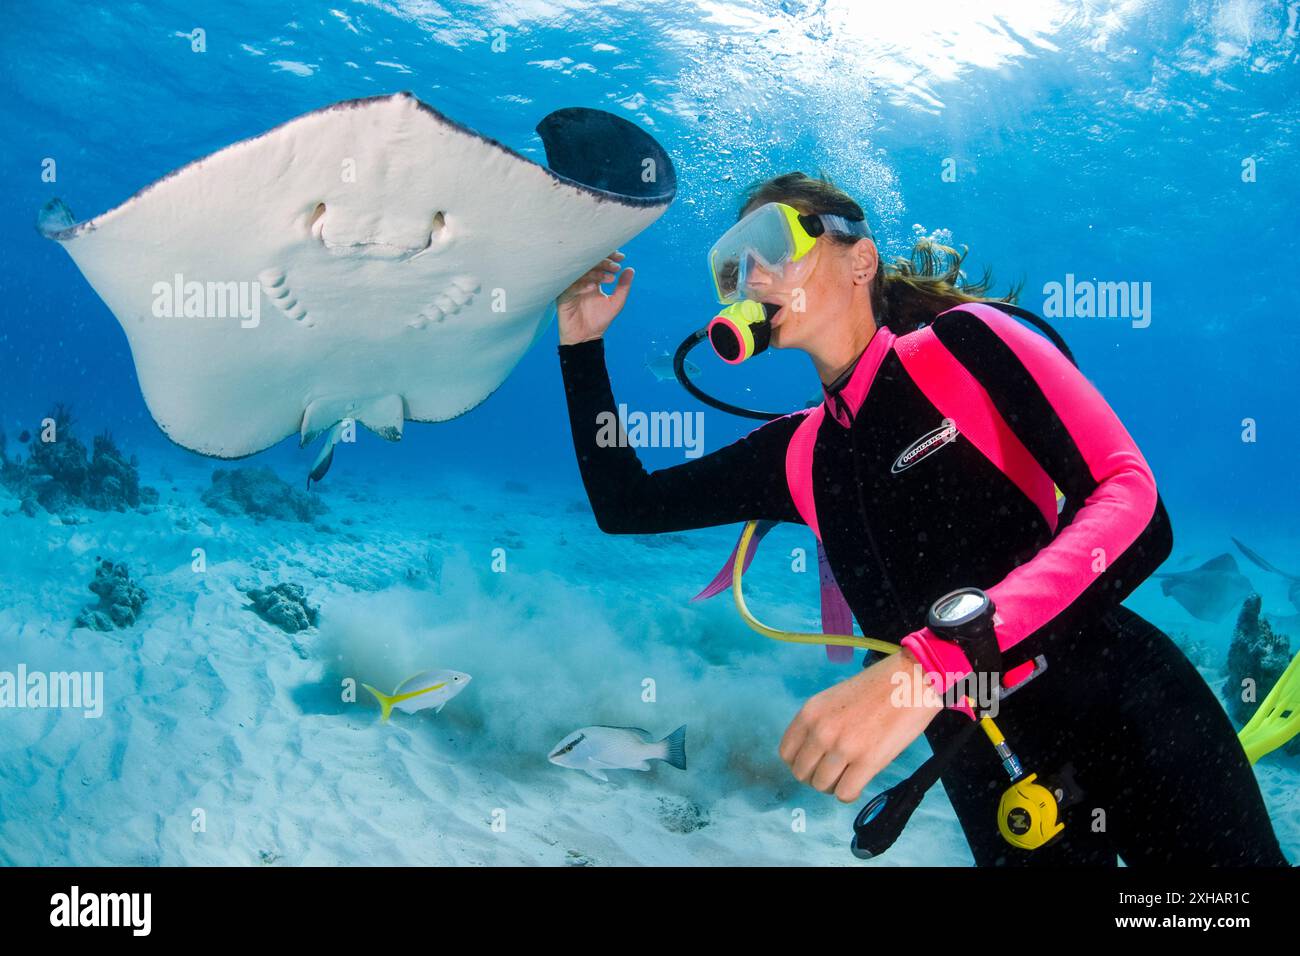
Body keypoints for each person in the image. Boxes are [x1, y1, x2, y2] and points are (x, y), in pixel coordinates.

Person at [555, 171, 1288, 866]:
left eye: (771, 248)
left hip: (1125, 711)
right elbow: (627, 505)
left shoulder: (963, 346)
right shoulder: (799, 454)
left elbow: (1133, 505)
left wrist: (928, 665)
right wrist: (581, 345)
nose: (752, 278)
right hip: (984, 768)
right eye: (732, 268)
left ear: (860, 259)